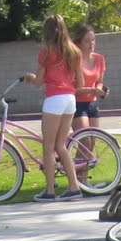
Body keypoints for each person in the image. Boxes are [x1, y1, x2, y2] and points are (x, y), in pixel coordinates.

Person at [23, 14, 83, 201]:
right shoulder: (74, 51)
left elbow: (38, 82)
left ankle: (50, 191)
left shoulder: (47, 52)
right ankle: (74, 187)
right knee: (61, 146)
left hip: (54, 100)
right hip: (70, 99)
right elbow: (79, 82)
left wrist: (31, 77)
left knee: (48, 147)